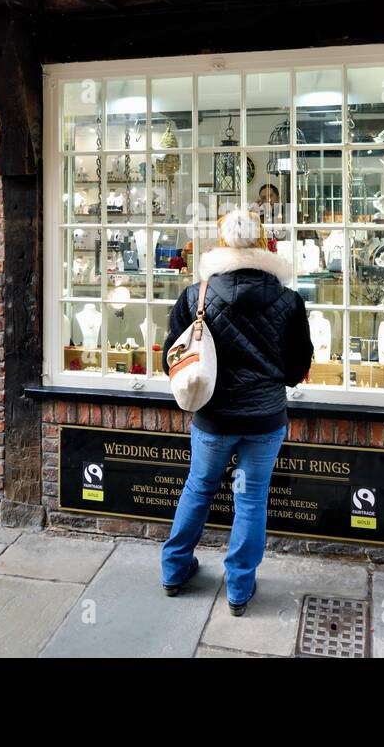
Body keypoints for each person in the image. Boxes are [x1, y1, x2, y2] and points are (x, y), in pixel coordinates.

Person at [159, 208, 313, 616]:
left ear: (222, 242)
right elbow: (298, 367)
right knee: (250, 498)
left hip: (214, 417)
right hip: (265, 418)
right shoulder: (288, 299)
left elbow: (171, 358)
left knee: (198, 488)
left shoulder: (197, 295)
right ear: (263, 243)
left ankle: (175, 570)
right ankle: (240, 588)